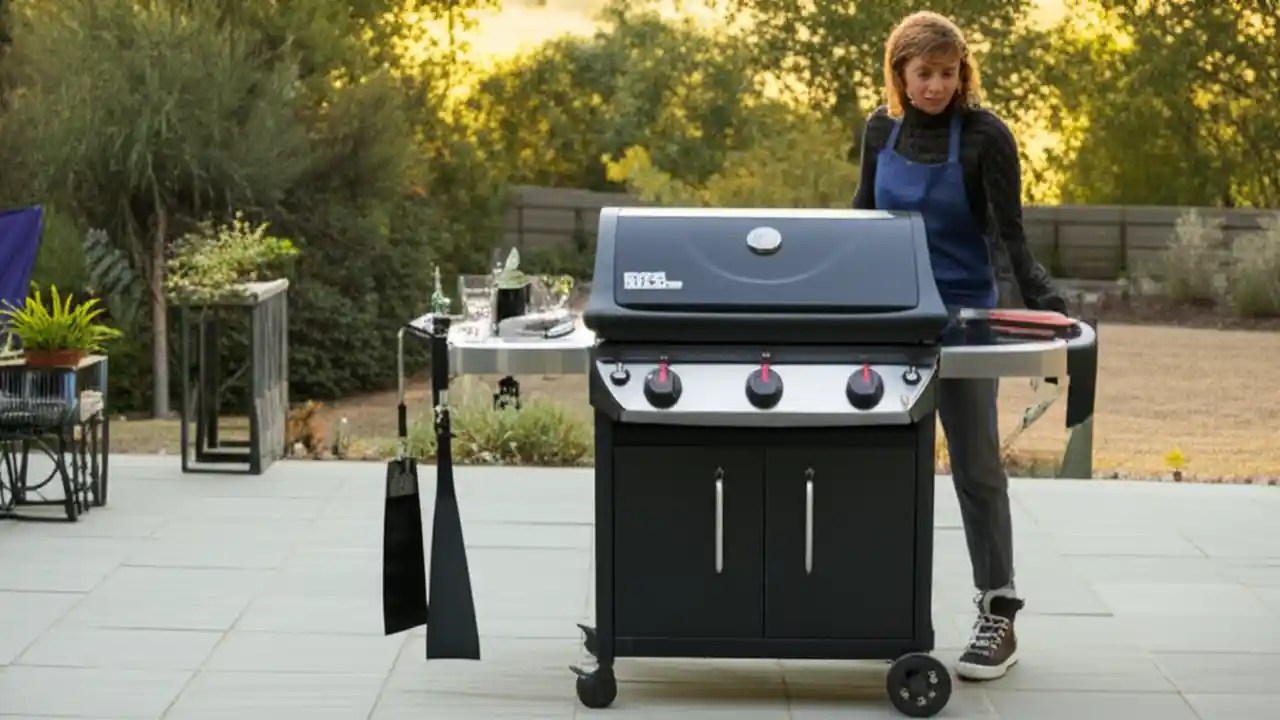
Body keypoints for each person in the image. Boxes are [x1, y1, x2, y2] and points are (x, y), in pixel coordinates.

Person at [850, 10, 1068, 682]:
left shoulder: (985, 136)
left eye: (948, 73)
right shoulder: (880, 130)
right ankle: (884, 611)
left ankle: (998, 612)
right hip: (891, 323)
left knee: (976, 467)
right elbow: (861, 220)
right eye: (925, 73)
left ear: (962, 72)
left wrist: (1049, 308)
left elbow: (1011, 237)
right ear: (900, 74)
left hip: (965, 323)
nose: (937, 86)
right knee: (885, 468)